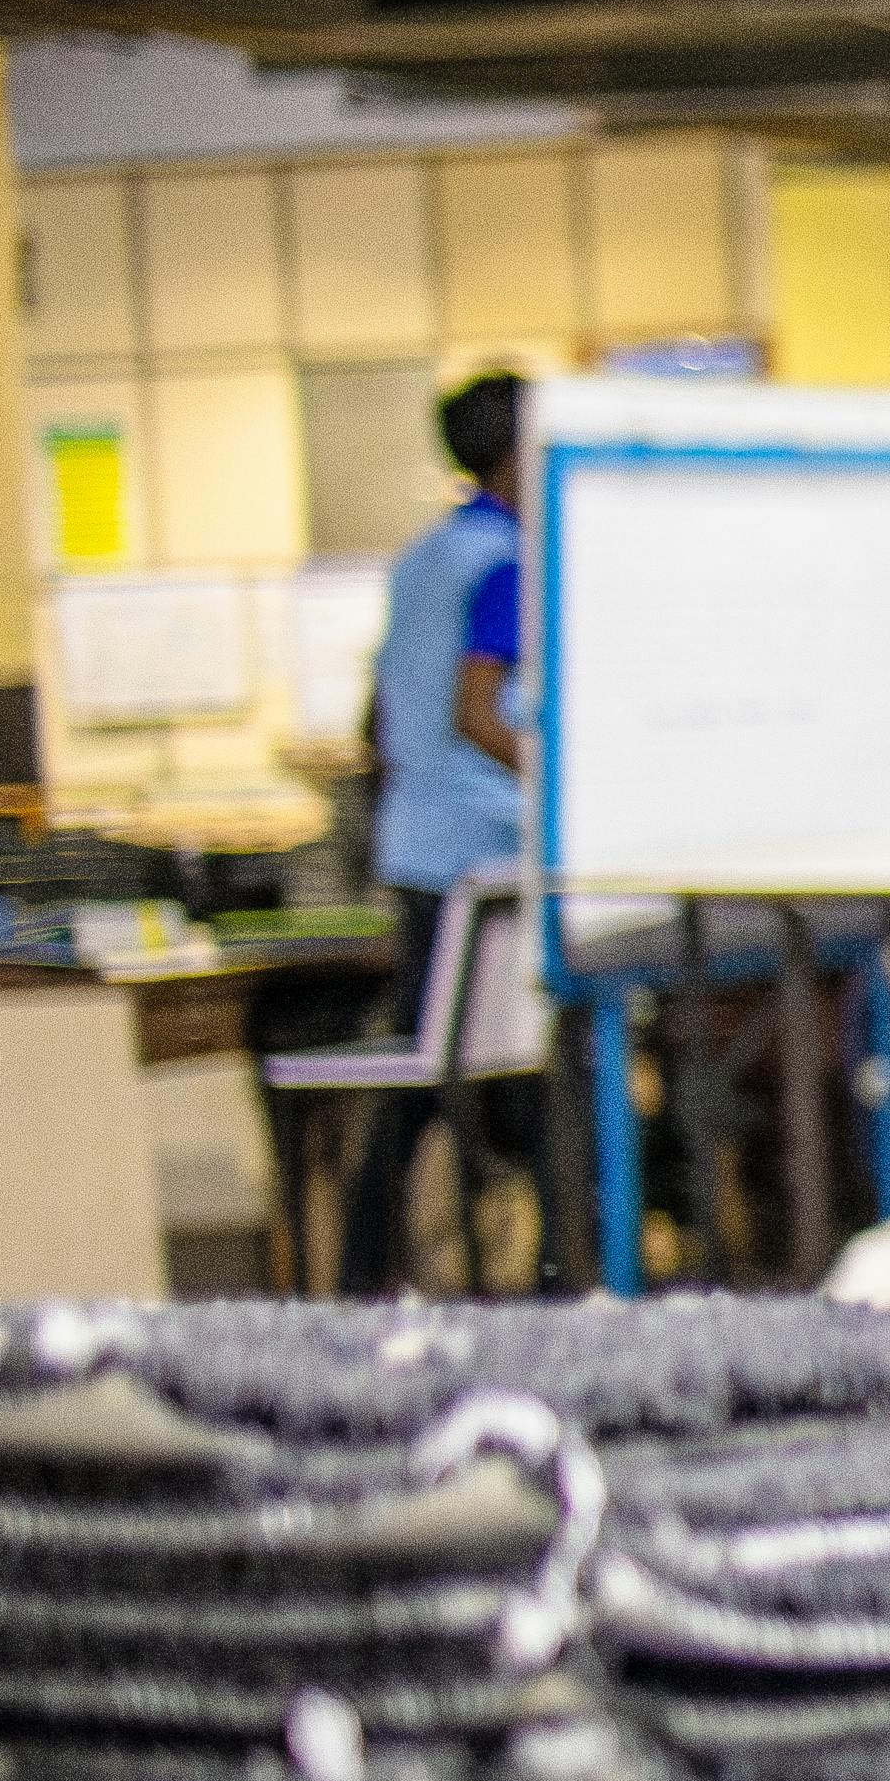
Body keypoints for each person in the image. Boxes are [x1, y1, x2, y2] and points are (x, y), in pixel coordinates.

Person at [342, 373, 532, 1291]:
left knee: (427, 1075)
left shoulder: (423, 559)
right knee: (500, 1076)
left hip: (416, 849)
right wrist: (574, 789)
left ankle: (361, 1271)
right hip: (482, 856)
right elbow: (479, 713)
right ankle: (557, 1277)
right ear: (515, 456)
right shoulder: (508, 562)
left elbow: (376, 717)